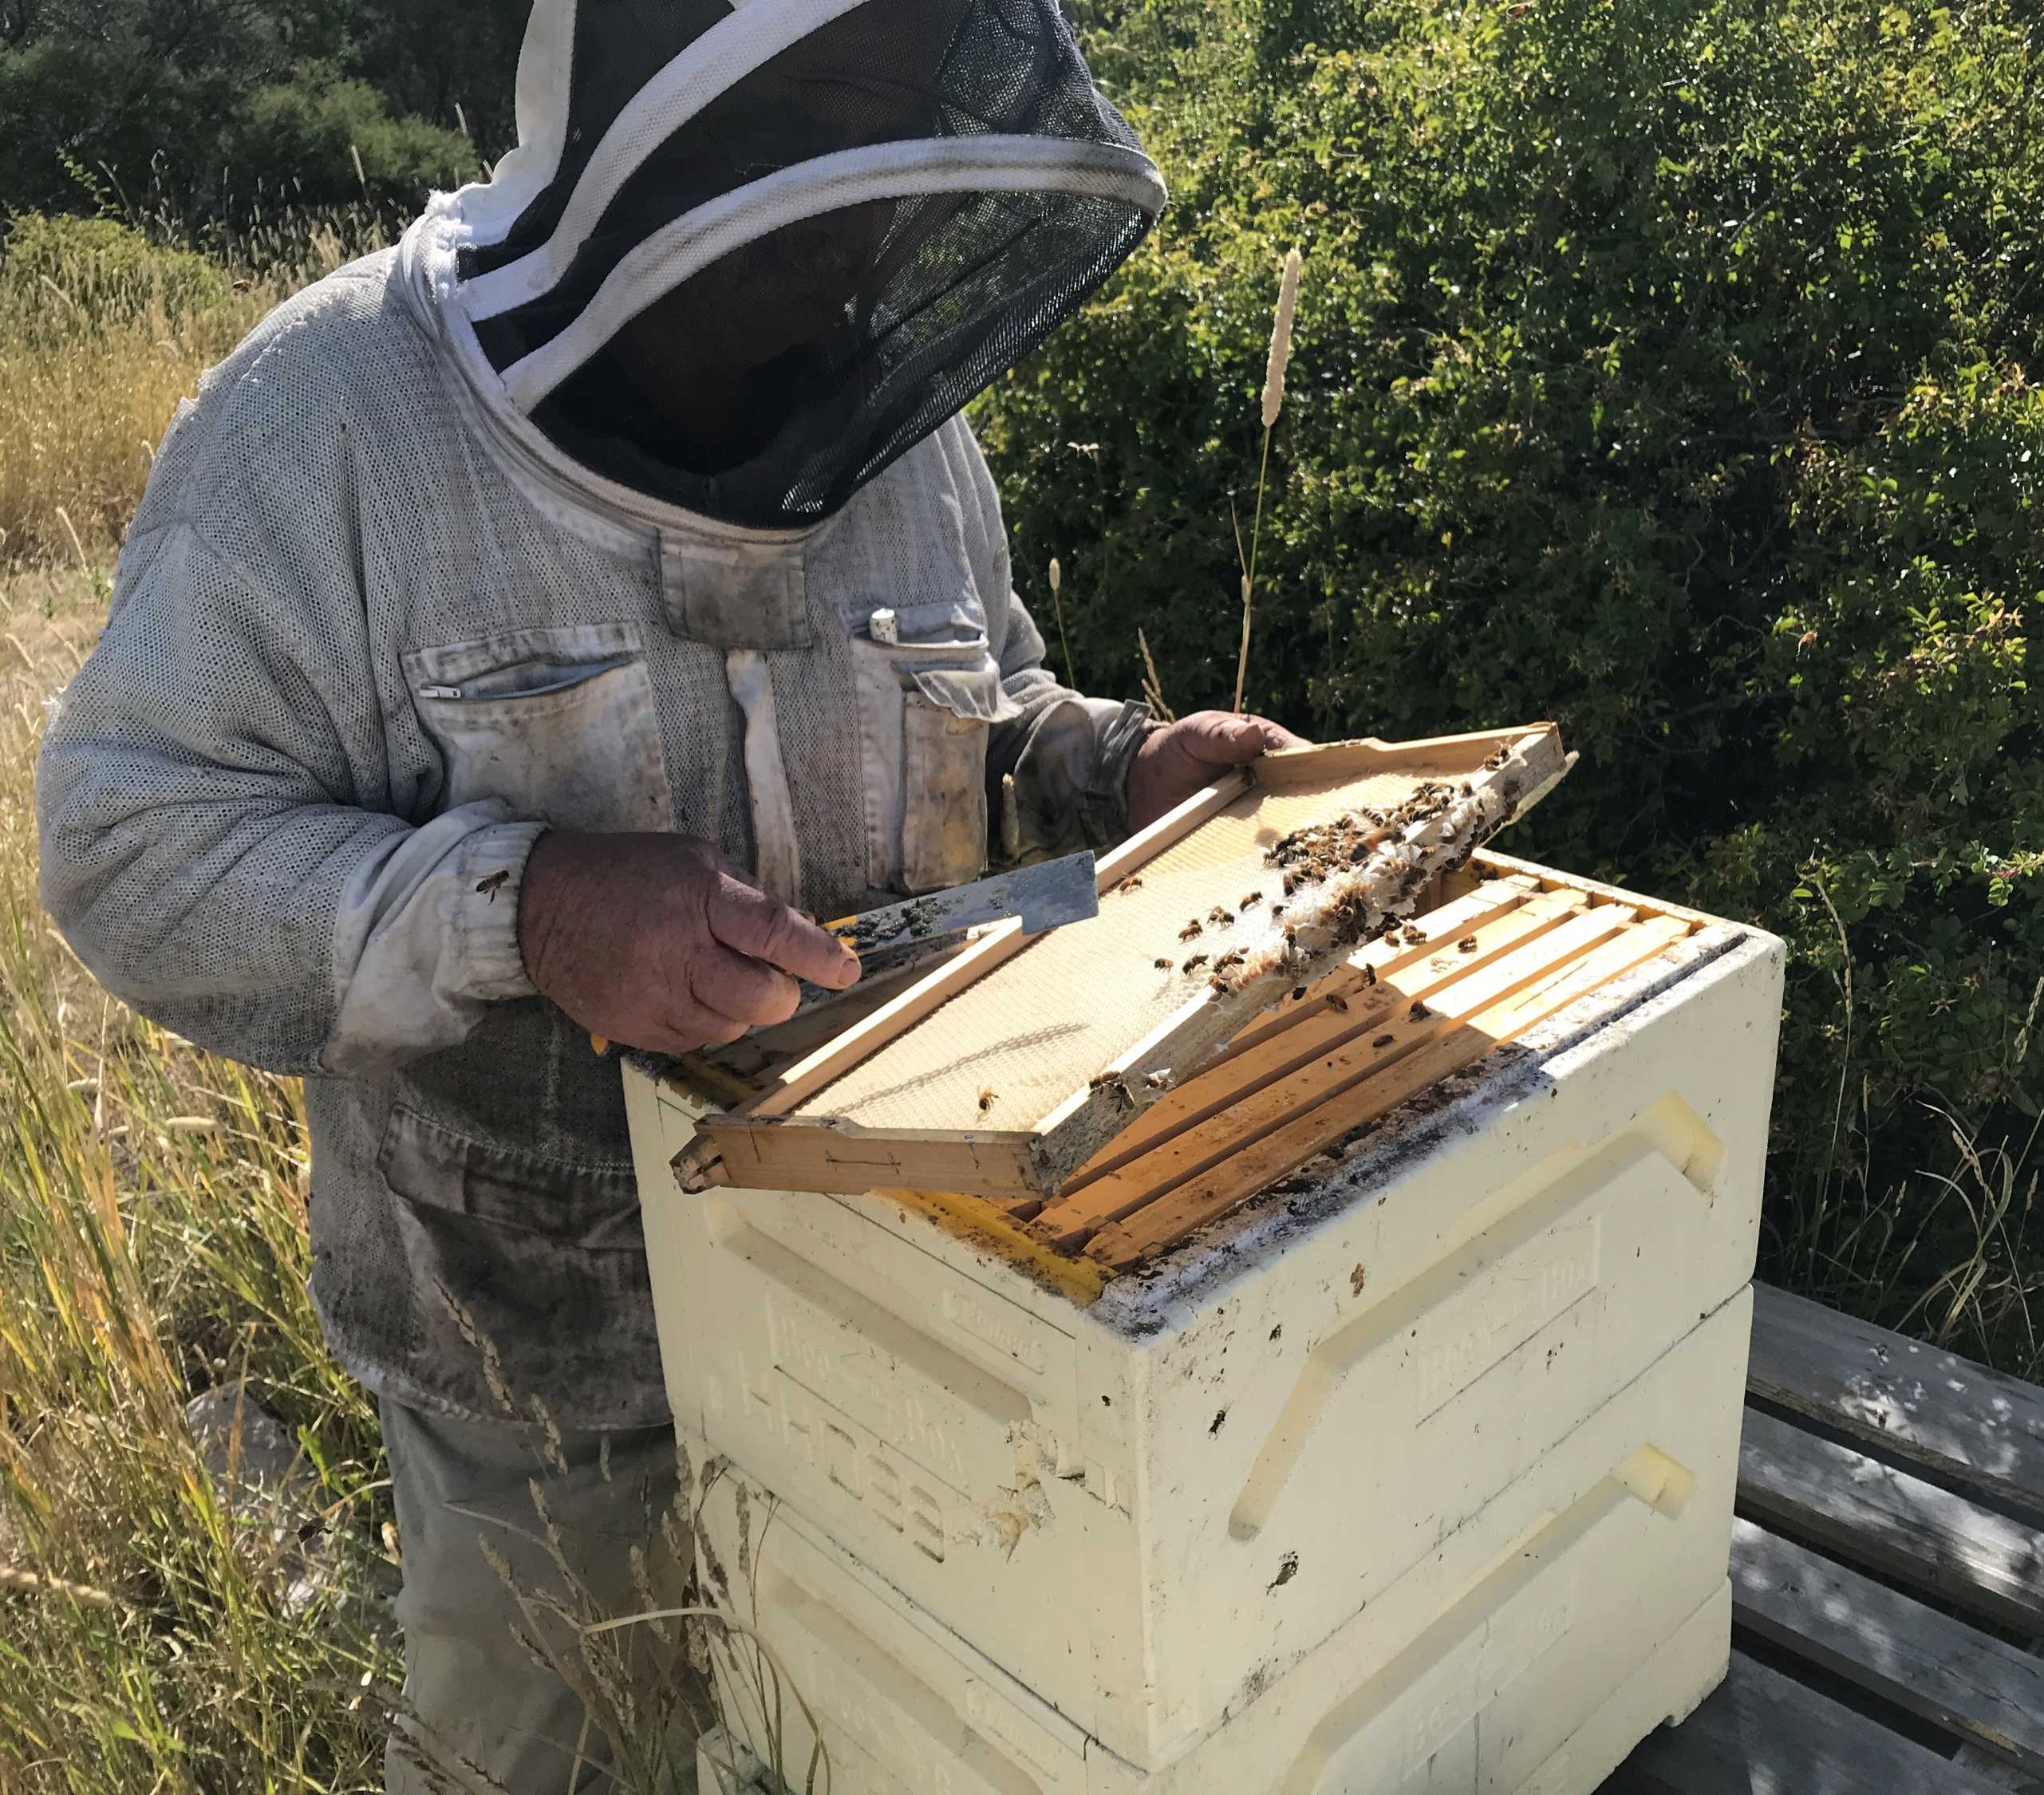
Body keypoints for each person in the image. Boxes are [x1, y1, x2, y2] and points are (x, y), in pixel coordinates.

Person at [34, 2, 1303, 1788]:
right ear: (641, 130)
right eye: (803, 138)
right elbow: (130, 838)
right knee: (544, 1749)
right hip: (542, 1367)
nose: (856, 219)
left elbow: (988, 704)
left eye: (891, 142)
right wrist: (526, 905)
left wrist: (1118, 763)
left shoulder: (901, 427)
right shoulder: (329, 422)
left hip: (909, 1301)